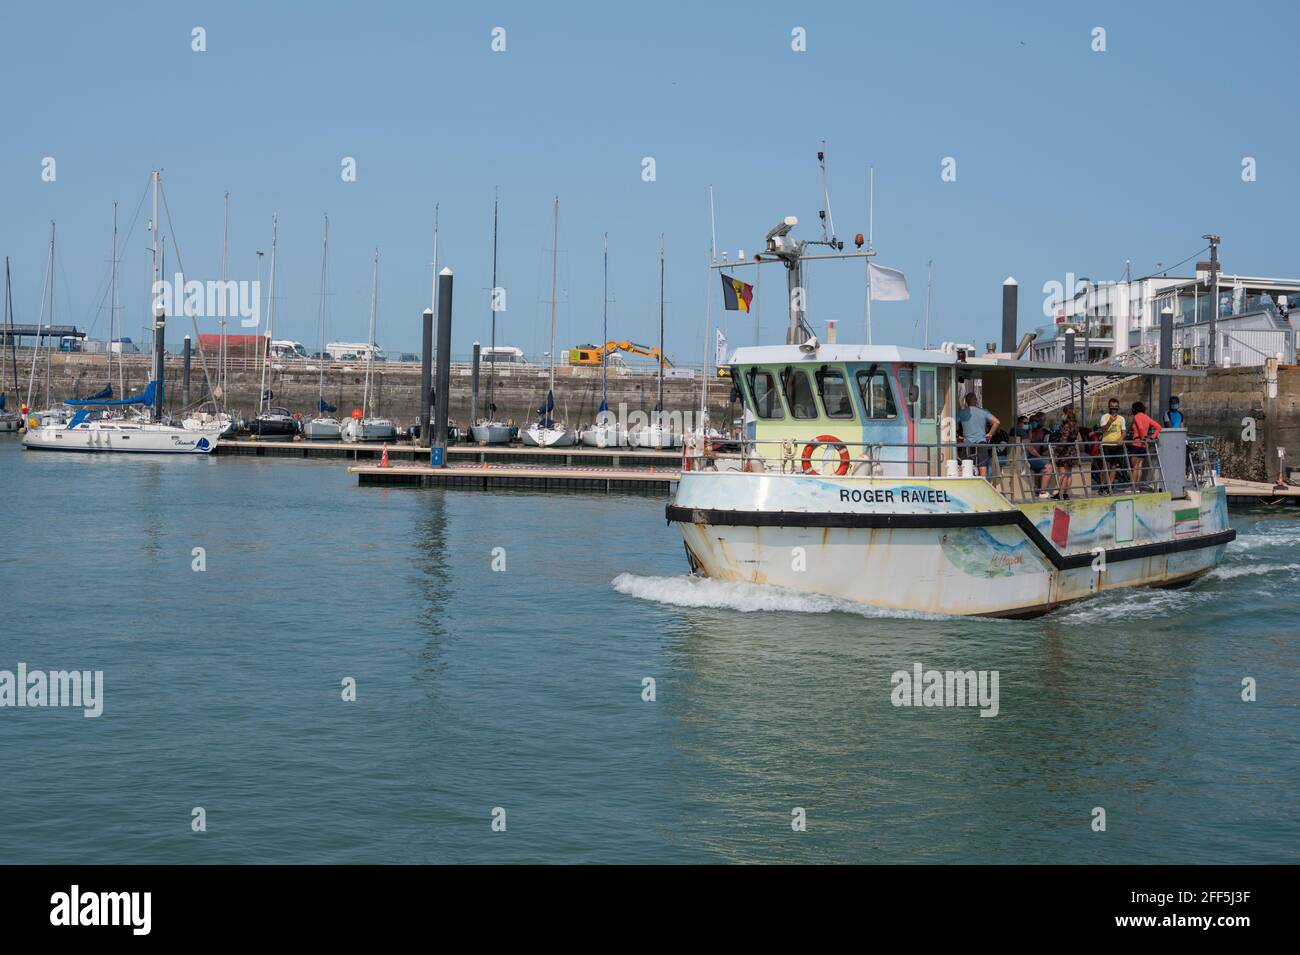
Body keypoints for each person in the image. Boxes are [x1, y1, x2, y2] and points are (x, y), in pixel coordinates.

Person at [956, 392, 999, 475]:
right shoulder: (984, 411)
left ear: (966, 402)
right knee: (983, 465)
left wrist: (958, 436)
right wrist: (990, 434)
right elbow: (997, 422)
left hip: (967, 442)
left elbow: (952, 424)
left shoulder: (962, 413)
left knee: (966, 465)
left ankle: (968, 482)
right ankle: (983, 482)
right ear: (976, 400)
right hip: (981, 441)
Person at [1127, 401, 1162, 489]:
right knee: (1139, 466)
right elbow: (1159, 427)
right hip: (1143, 445)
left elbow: (1140, 427)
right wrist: (1152, 438)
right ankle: (1137, 487)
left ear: (1134, 409)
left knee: (1134, 467)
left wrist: (1143, 437)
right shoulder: (1147, 417)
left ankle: (1133, 487)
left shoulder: (1137, 416)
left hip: (1136, 444)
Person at [1098, 398, 1127, 491]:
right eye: (1112, 407)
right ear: (1109, 407)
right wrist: (1110, 421)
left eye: (1116, 408)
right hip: (1106, 444)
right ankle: (1102, 486)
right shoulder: (1104, 417)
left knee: (1114, 466)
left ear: (1118, 407)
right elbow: (1103, 430)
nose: (1114, 409)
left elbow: (1124, 432)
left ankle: (1110, 486)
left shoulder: (1121, 418)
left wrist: (1121, 438)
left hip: (1117, 445)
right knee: (1105, 466)